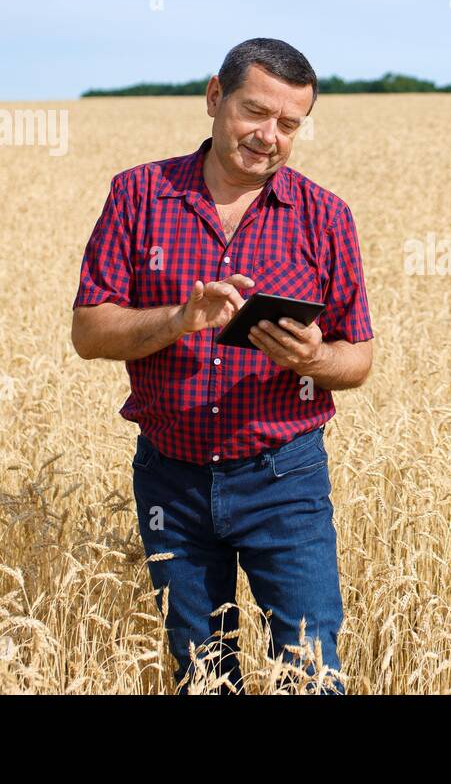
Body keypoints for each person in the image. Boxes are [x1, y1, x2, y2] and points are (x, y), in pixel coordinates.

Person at [70, 38, 374, 694]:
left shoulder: (325, 217)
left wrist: (314, 358)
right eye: (254, 113)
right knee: (204, 677)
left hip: (284, 480)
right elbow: (89, 330)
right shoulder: (137, 195)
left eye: (289, 124)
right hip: (170, 481)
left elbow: (360, 357)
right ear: (215, 96)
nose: (269, 137)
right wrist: (178, 319)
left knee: (311, 673)